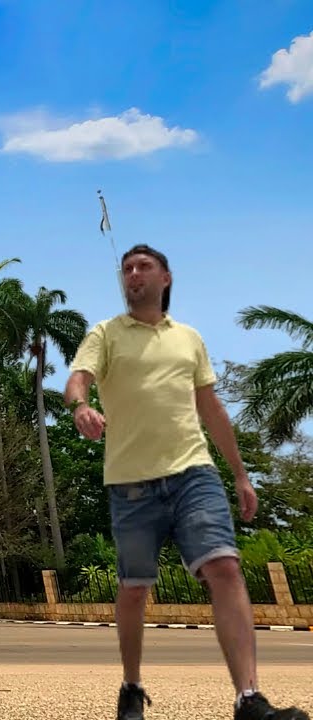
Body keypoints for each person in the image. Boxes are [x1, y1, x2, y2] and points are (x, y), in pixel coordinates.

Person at [64, 244, 308, 720]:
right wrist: (81, 407)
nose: (133, 274)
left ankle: (249, 698)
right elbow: (78, 379)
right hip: (131, 484)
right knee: (134, 588)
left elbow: (210, 408)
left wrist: (241, 475)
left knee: (226, 567)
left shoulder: (189, 338)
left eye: (144, 266)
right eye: (127, 269)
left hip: (194, 473)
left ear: (166, 277)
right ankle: (131, 686)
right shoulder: (106, 333)